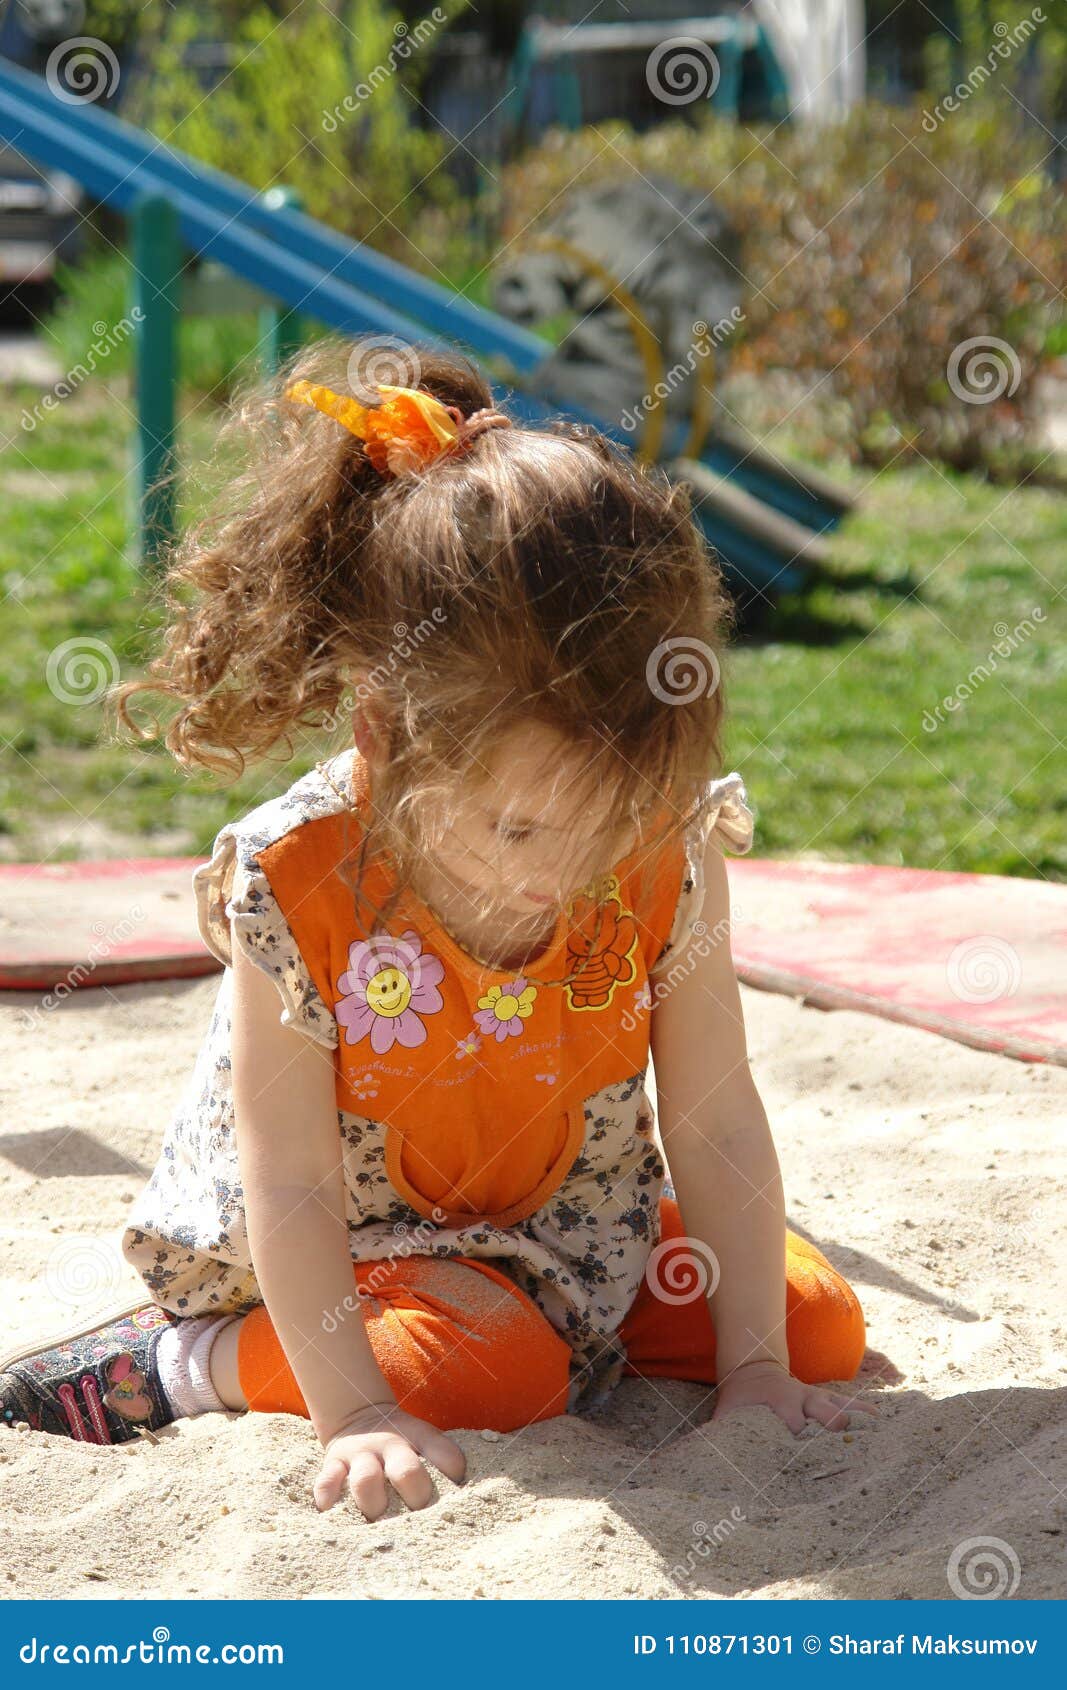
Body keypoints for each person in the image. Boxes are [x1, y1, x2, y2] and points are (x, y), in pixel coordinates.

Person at [0, 342, 873, 1519]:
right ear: (383, 733)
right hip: (357, 1258)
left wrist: (757, 1369)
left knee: (814, 1326)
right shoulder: (302, 878)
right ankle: (173, 1362)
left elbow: (713, 1118)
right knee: (494, 1367)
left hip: (572, 1227)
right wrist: (358, 1414)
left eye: (605, 824)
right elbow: (296, 1186)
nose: (563, 875)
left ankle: (592, 1328)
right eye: (517, 830)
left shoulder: (665, 841)